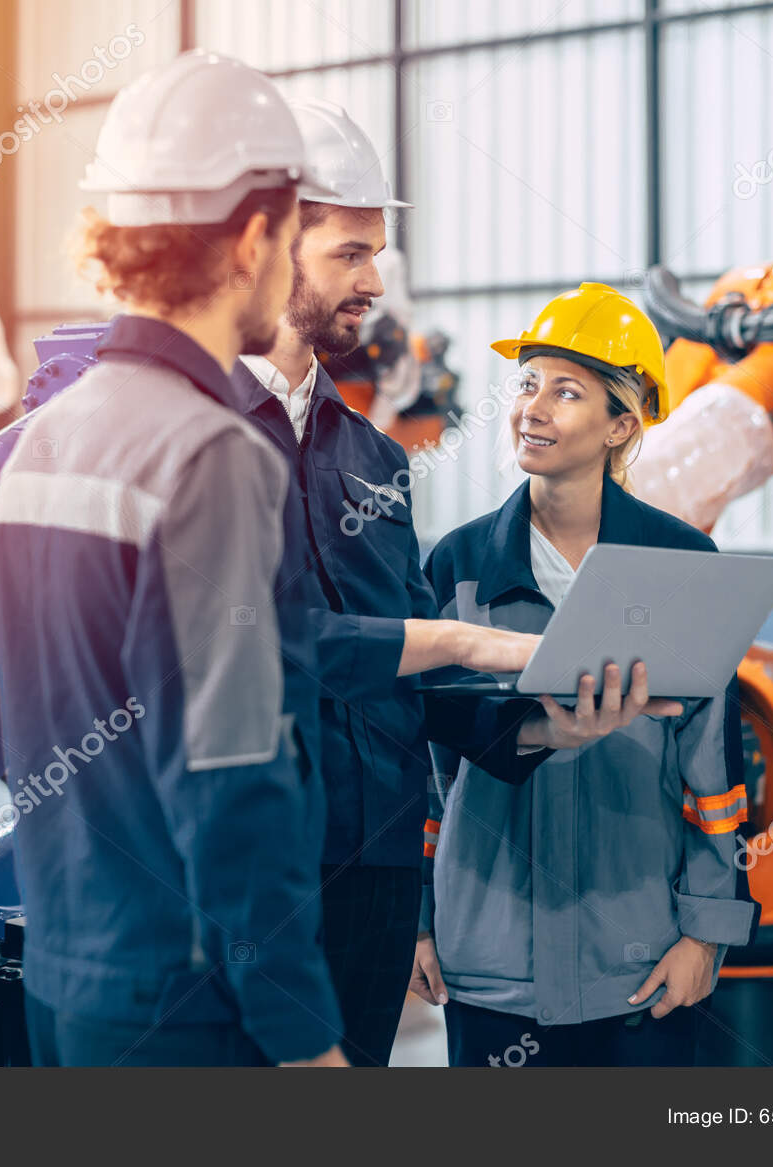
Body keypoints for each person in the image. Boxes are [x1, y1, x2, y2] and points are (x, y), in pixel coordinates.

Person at [0, 51, 345, 1067]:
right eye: (294, 235)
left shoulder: (49, 438)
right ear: (251, 237)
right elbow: (231, 780)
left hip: (66, 981)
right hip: (186, 1006)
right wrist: (304, 1032)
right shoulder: (209, 455)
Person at [230, 99, 543, 1066]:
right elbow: (256, 643)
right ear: (274, 242)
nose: (375, 281)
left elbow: (399, 661)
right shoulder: (198, 437)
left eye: (377, 254)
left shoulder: (369, 455)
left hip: (368, 874)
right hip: (251, 871)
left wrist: (540, 722)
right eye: (351, 253)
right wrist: (462, 640)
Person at [409, 284, 757, 1067]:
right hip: (492, 959)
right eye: (528, 383)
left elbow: (714, 775)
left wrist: (705, 930)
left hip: (638, 962)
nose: (534, 406)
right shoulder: (459, 565)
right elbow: (425, 770)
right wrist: (419, 919)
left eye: (567, 391)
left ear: (621, 425)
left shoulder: (680, 565)